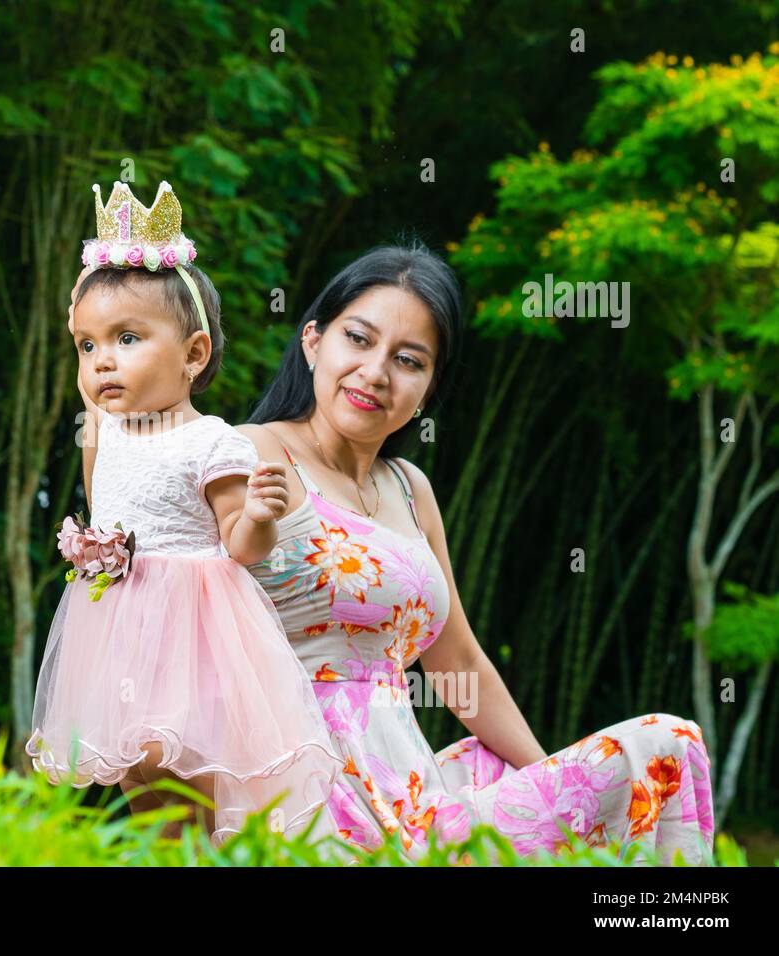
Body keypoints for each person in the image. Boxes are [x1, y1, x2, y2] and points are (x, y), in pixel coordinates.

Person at [237, 241, 716, 865]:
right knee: (664, 739)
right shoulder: (251, 454)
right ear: (312, 341)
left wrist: (556, 786)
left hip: (412, 800)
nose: (376, 372)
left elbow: (458, 661)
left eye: (408, 360)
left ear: (430, 388)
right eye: (358, 339)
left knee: (662, 749)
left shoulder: (410, 490)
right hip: (312, 802)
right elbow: (175, 614)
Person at [26, 181, 340, 847]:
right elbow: (105, 516)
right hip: (116, 625)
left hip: (196, 632)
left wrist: (259, 513)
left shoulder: (212, 441)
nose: (102, 359)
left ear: (193, 354)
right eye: (86, 345)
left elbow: (241, 547)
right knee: (140, 777)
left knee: (187, 772)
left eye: (127, 338)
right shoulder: (98, 433)